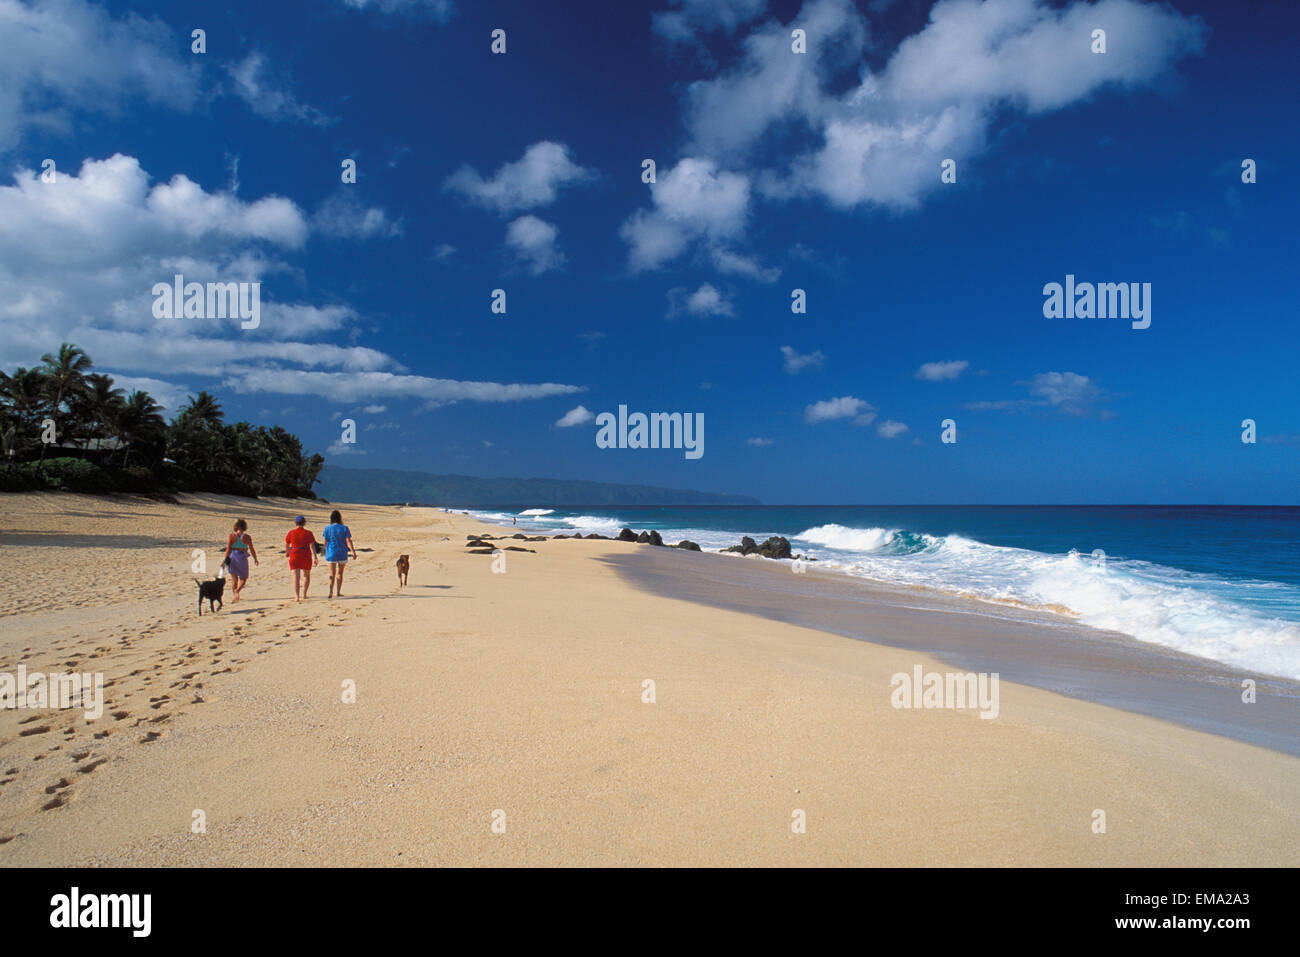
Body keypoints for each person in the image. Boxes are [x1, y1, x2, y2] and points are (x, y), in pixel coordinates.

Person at [221, 519, 259, 602]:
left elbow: (228, 549)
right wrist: (255, 558)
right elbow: (252, 549)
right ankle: (237, 591)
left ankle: (235, 595)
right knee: (243, 578)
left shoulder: (231, 536)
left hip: (232, 557)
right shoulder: (247, 537)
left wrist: (224, 561)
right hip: (242, 557)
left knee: (234, 579)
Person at [322, 509, 357, 598]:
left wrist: (325, 550)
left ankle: (330, 591)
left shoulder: (327, 528)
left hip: (331, 552)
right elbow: (348, 541)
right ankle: (338, 592)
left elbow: (325, 542)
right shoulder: (344, 528)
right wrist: (353, 552)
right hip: (342, 552)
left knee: (331, 574)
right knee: (340, 573)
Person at [284, 515, 319, 602]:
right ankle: (304, 594)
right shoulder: (308, 533)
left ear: (295, 523)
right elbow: (312, 546)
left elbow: (287, 544)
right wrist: (315, 557)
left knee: (296, 576)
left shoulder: (291, 532)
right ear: (304, 523)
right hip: (305, 554)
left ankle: (296, 596)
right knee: (306, 575)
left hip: (294, 553)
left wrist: (287, 552)